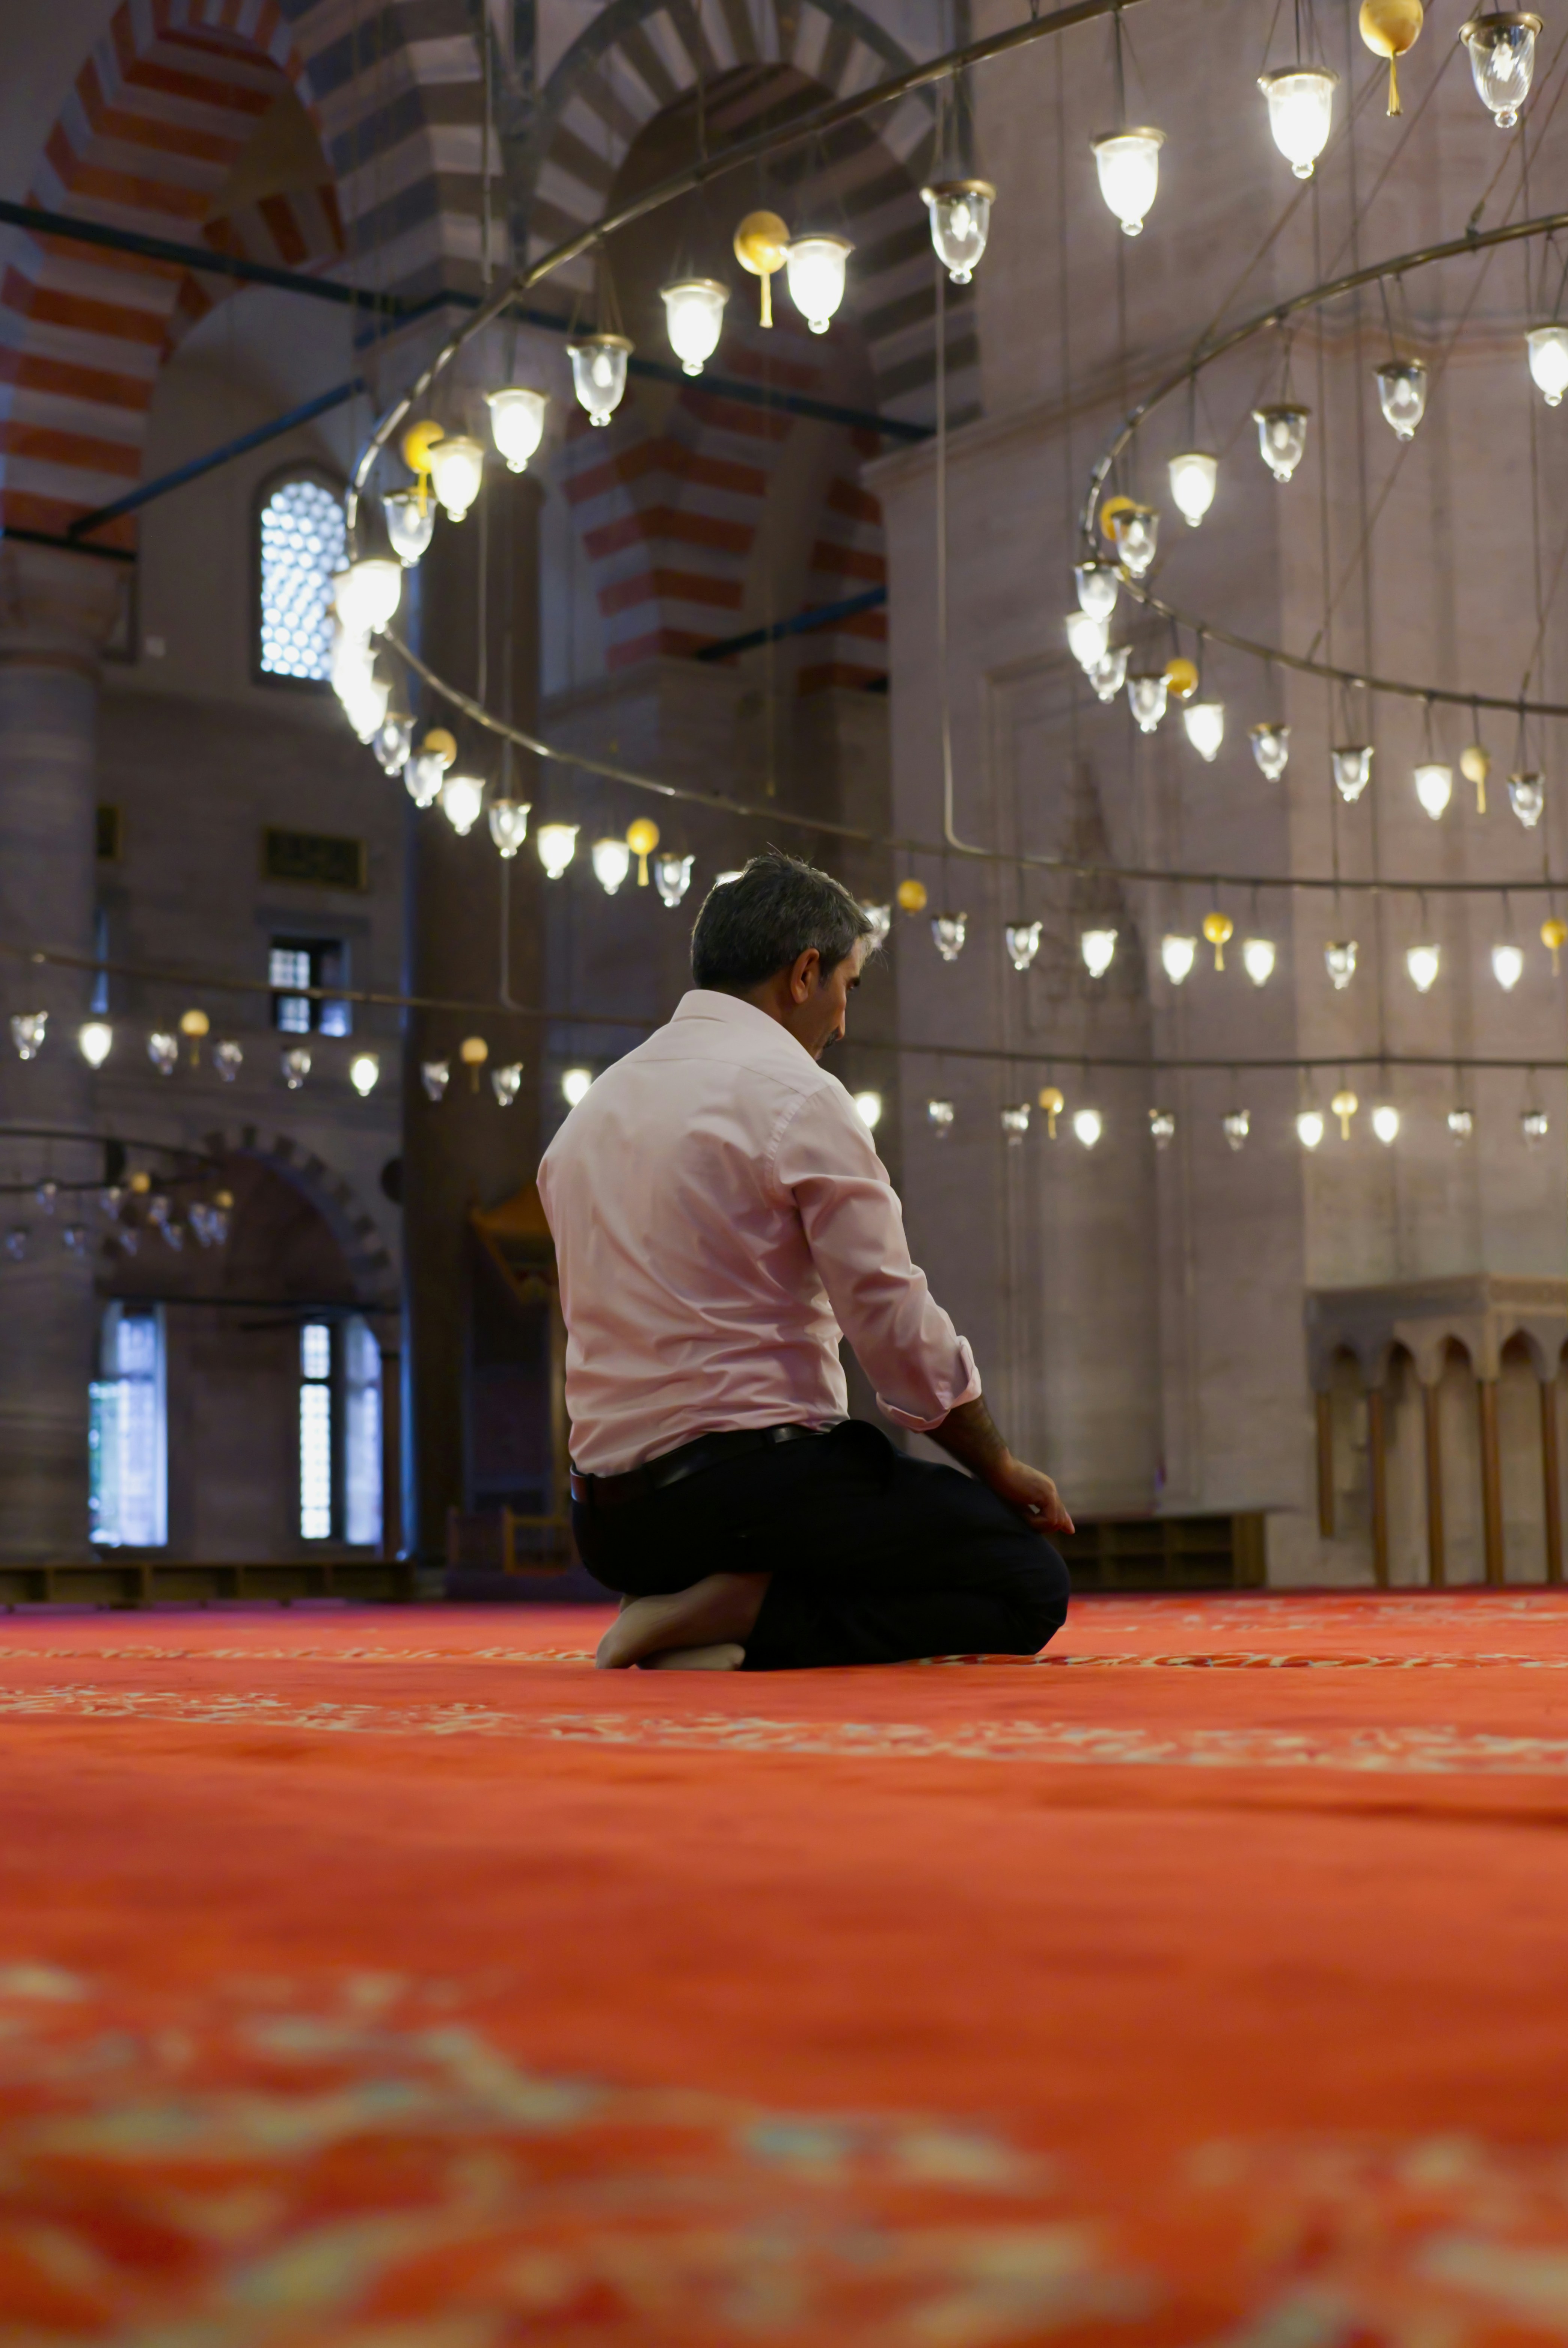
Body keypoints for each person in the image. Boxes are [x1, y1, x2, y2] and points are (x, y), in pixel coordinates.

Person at [537, 849, 1073, 1671]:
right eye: (848, 988)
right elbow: (892, 1327)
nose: (844, 1023)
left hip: (609, 1525)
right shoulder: (797, 1095)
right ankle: (747, 1614)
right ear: (805, 972)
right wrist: (995, 1464)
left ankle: (694, 1617)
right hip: (754, 1496)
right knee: (1026, 1582)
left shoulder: (590, 1112)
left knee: (872, 1514)